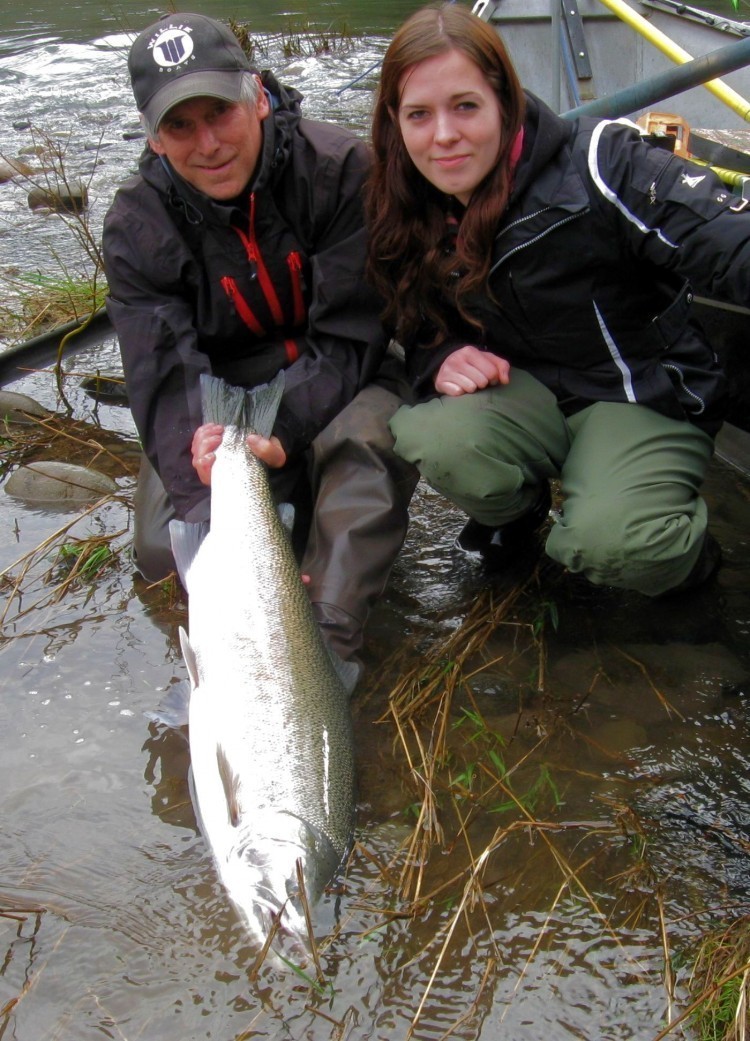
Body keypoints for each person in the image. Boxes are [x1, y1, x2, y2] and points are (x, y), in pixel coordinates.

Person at [364, 1, 750, 598]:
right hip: (528, 397)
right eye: (419, 115)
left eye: (465, 106)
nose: (444, 135)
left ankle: (687, 557)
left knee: (615, 546)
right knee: (433, 438)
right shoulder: (401, 201)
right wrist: (438, 355)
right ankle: (516, 516)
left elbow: (725, 240)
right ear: (395, 122)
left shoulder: (602, 164)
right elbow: (409, 320)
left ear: (505, 101)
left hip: (640, 393)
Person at [103, 12, 418, 671]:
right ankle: (273, 528)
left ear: (259, 97)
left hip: (342, 375)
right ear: (155, 139)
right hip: (219, 401)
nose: (208, 143)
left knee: (365, 444)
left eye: (220, 112)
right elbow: (162, 376)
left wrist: (282, 428)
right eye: (179, 126)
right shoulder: (136, 223)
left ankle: (329, 645)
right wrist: (213, 486)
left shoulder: (339, 170)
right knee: (169, 554)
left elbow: (353, 333)